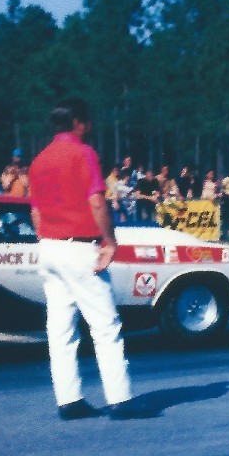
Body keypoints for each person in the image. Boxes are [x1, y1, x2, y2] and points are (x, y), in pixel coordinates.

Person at [27, 97, 136, 421]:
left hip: (49, 247)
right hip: (79, 248)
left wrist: (49, 237)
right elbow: (97, 202)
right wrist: (110, 241)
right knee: (105, 327)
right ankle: (120, 400)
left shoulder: (39, 160)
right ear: (79, 123)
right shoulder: (83, 153)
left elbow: (35, 211)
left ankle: (69, 400)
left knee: (60, 330)